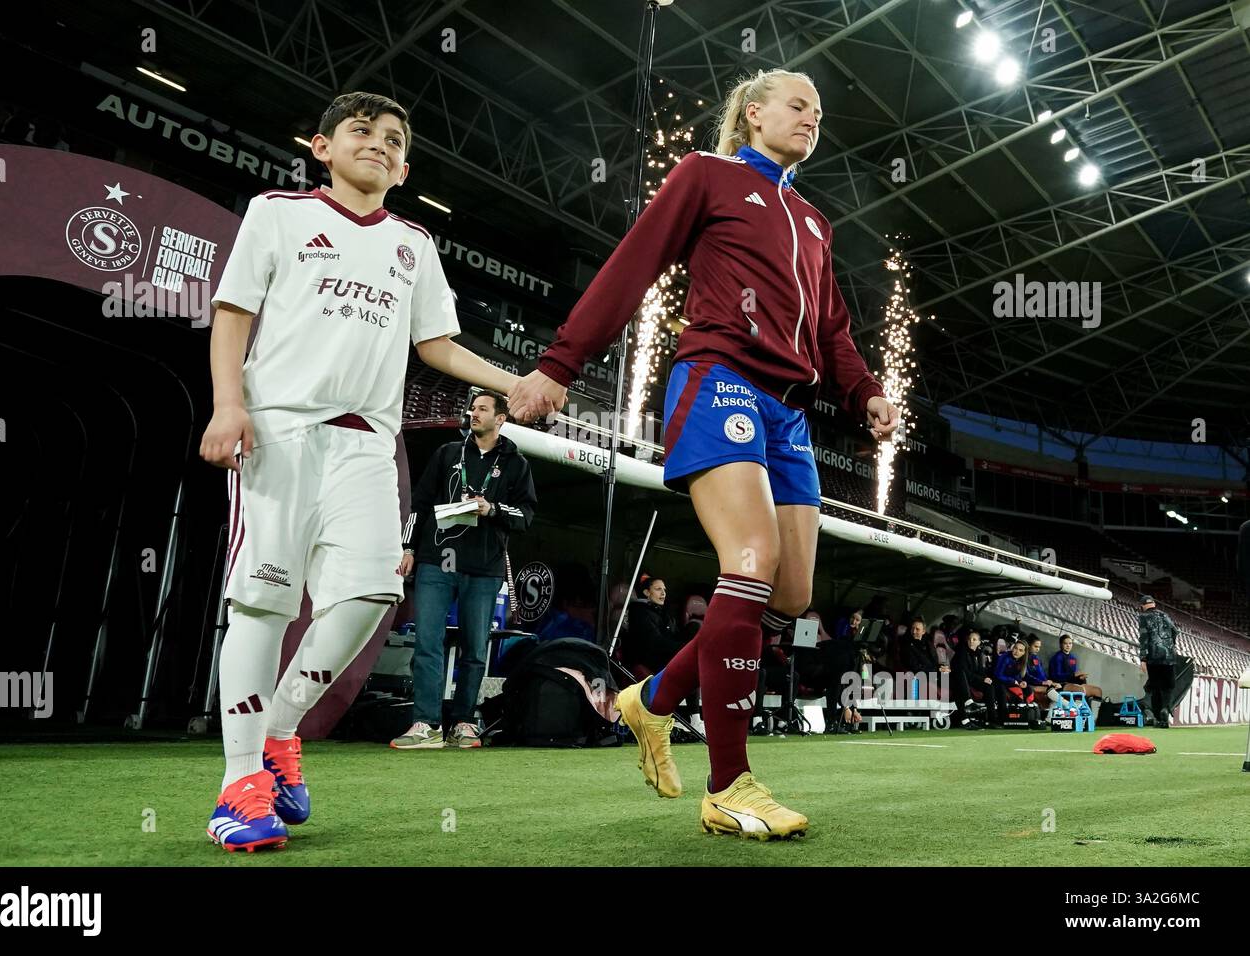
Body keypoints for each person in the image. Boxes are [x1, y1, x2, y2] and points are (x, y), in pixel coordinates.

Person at [508, 68, 900, 839]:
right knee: (748, 562)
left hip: (790, 416)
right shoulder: (708, 176)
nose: (811, 120)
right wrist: (559, 365)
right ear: (753, 114)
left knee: (787, 595)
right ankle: (729, 785)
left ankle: (649, 701)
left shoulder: (816, 224)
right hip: (719, 379)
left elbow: (833, 335)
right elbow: (634, 264)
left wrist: (866, 393)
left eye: (819, 113)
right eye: (798, 105)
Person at [198, 92, 554, 852]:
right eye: (361, 131)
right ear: (321, 146)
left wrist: (507, 381)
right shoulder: (278, 212)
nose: (380, 145)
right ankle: (238, 784)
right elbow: (233, 313)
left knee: (370, 595)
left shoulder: (414, 242)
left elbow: (438, 345)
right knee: (263, 604)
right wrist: (228, 405)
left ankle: (280, 731)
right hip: (279, 429)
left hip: (366, 443)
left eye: (395, 139)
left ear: (405, 166)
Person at [391, 391, 536, 750]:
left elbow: (526, 516)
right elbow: (419, 505)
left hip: (484, 567)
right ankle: (426, 723)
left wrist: (493, 508)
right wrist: (408, 547)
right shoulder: (448, 454)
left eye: (482, 409)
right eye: (472, 407)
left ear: (500, 419)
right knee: (427, 641)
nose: (473, 413)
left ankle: (464, 722)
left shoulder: (516, 464)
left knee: (474, 648)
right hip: (437, 559)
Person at [624, 575, 686, 674]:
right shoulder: (640, 612)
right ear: (646, 592)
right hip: (651, 663)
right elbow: (655, 642)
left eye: (664, 590)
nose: (663, 593)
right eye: (658, 589)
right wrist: (683, 648)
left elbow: (674, 634)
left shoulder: (660, 611)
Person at [1138, 594, 1178, 728]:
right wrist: (1170, 645)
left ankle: (1157, 718)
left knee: (1155, 687)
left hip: (1154, 658)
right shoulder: (1164, 615)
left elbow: (1143, 638)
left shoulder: (1143, 617)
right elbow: (1175, 631)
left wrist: (1143, 658)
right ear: (1154, 604)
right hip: (1169, 657)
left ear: (1143, 606)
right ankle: (1166, 710)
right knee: (1168, 686)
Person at [950, 630, 996, 728]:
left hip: (972, 679)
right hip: (959, 679)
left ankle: (992, 720)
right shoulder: (962, 651)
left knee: (989, 686)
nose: (971, 641)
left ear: (979, 642)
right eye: (970, 639)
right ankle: (966, 714)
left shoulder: (979, 654)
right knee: (959, 687)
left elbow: (980, 670)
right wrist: (981, 679)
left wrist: (985, 678)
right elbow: (964, 671)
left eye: (974, 639)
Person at [1047, 635, 1103, 700]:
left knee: (1097, 690)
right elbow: (1056, 676)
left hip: (1074, 683)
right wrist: (1074, 675)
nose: (1068, 645)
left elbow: (1074, 675)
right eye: (1065, 643)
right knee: (1080, 689)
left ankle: (1089, 709)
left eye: (1070, 643)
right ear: (1060, 645)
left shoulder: (1073, 658)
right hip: (1061, 684)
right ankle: (1076, 709)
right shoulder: (1057, 657)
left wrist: (1080, 677)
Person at [993, 639, 1036, 708]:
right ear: (1013, 648)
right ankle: (1007, 714)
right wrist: (1013, 681)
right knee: (1017, 694)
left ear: (1024, 653)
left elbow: (1016, 676)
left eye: (1020, 650)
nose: (1017, 652)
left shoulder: (1021, 661)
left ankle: (1027, 711)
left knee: (1029, 690)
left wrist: (1021, 682)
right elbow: (998, 674)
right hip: (999, 681)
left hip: (1010, 682)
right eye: (1015, 648)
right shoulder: (1005, 657)